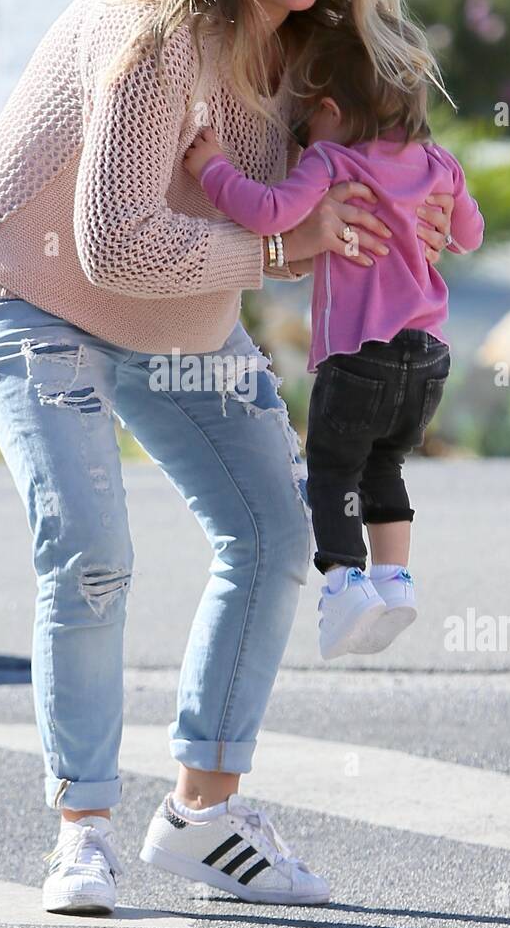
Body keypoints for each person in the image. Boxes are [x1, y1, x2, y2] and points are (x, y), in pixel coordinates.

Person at [0, 0, 454, 916]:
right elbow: (115, 238)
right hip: (28, 296)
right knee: (91, 551)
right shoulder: (150, 26)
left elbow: (366, 186)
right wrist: (278, 247)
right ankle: (81, 831)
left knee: (273, 535)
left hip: (175, 319)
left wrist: (413, 219)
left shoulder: (321, 46)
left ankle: (203, 816)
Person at [185, 44, 484, 659]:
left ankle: (346, 580)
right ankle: (394, 580)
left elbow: (268, 213)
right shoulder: (439, 163)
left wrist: (212, 166)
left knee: (331, 465)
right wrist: (442, 210)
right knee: (384, 466)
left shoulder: (332, 162)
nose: (300, 138)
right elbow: (470, 235)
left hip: (360, 357)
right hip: (428, 360)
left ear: (328, 109)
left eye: (303, 123)